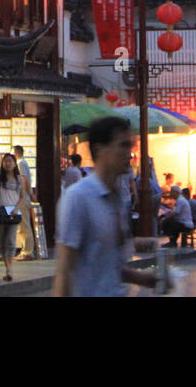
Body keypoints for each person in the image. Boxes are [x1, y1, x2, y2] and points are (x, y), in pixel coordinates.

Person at [53, 116, 159, 297]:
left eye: (130, 146)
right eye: (123, 145)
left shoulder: (116, 198)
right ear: (100, 150)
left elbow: (109, 265)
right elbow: (65, 271)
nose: (129, 153)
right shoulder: (79, 198)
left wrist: (145, 279)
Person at [0, 152, 29, 281]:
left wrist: (17, 208)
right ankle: (7, 267)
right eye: (5, 161)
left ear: (14, 163)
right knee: (2, 242)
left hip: (13, 213)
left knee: (11, 242)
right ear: (2, 163)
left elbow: (23, 196)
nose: (8, 163)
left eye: (10, 161)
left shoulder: (19, 179)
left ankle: (9, 270)